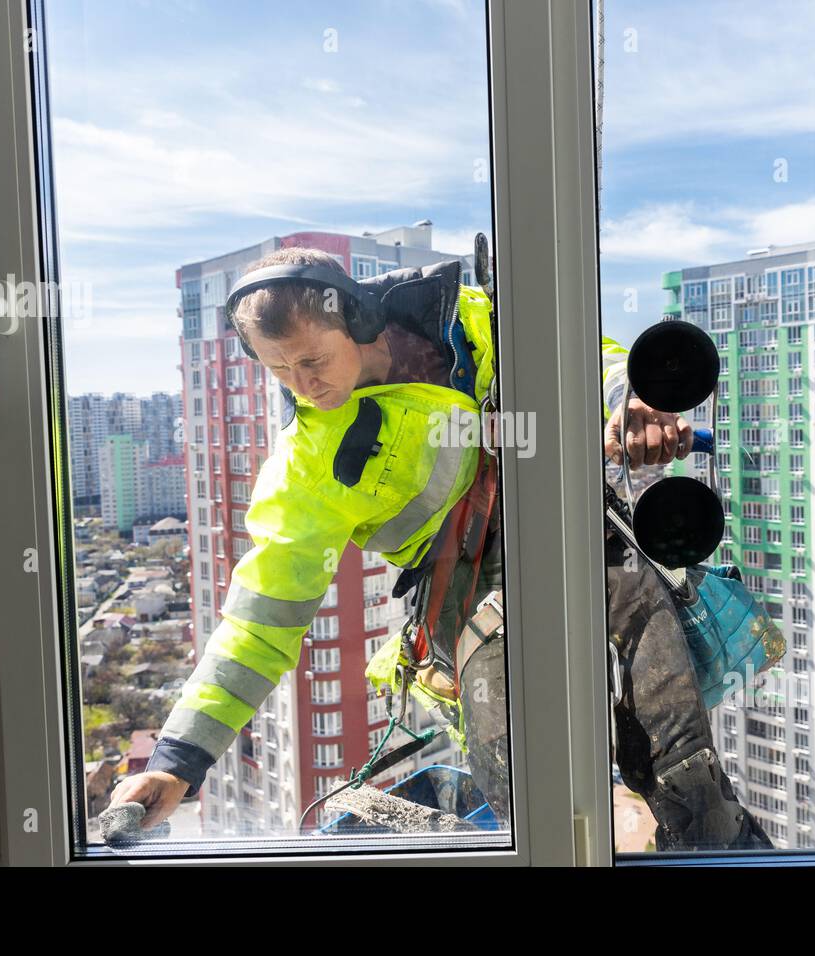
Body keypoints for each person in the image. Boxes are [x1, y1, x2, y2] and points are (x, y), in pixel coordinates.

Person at [108, 244, 769, 851]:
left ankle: (725, 856)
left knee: (680, 758)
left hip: (587, 545)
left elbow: (579, 356)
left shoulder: (468, 323)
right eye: (280, 372)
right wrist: (179, 759)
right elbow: (258, 625)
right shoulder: (312, 464)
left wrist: (626, 400)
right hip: (475, 605)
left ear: (359, 321)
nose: (303, 387)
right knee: (526, 785)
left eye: (311, 360)